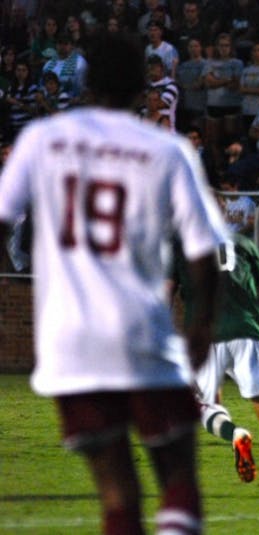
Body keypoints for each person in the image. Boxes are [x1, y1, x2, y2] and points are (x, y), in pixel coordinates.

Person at [0, 31, 226, 535]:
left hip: (67, 343)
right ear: (141, 86)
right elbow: (203, 250)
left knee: (117, 492)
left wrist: (17, 278)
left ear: (85, 82)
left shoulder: (41, 139)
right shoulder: (166, 150)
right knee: (177, 473)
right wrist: (200, 324)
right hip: (139, 334)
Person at [171, 231, 259, 498]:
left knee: (205, 405)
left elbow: (164, 295)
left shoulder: (180, 245)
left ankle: (235, 433)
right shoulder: (245, 245)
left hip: (205, 334)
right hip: (247, 331)